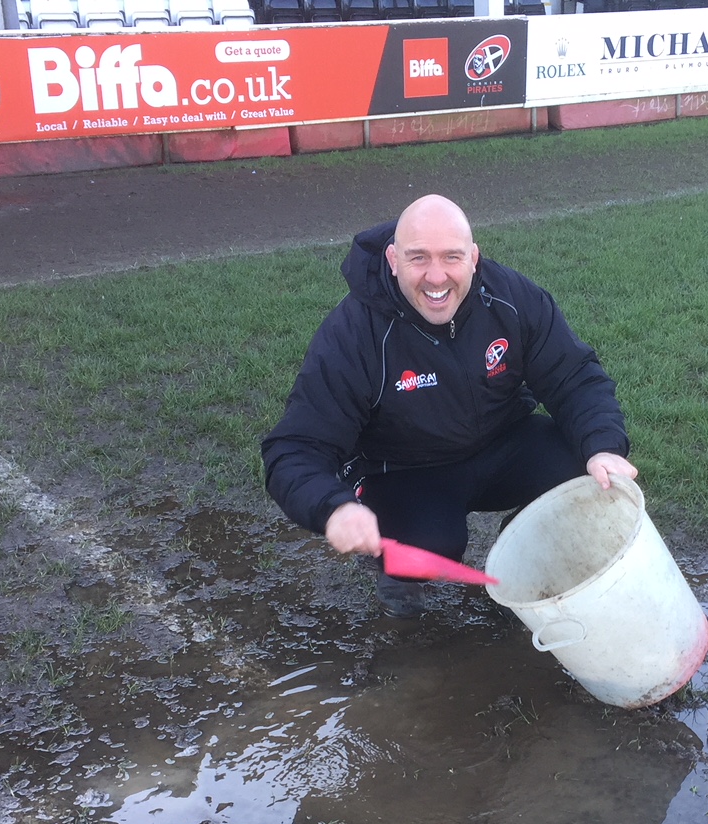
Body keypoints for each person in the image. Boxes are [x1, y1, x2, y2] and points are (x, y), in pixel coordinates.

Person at [261, 194, 637, 617]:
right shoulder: (352, 333)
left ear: (473, 258)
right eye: (418, 258)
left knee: (585, 470)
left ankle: (527, 544)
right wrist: (335, 507)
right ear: (392, 259)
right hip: (407, 471)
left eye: (451, 257)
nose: (436, 276)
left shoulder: (511, 297)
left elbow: (574, 375)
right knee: (433, 540)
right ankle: (399, 580)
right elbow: (293, 448)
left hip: (503, 442)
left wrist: (603, 446)